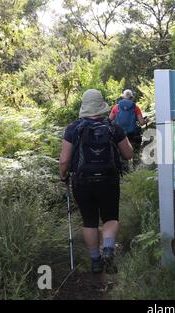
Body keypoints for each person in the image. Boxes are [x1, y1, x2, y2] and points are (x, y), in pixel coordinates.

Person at [59, 89, 133, 273]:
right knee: (110, 217)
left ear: (84, 106)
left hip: (83, 182)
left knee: (90, 221)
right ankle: (108, 248)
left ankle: (95, 260)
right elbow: (129, 154)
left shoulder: (73, 129)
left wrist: (63, 175)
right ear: (102, 105)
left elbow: (64, 161)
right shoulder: (113, 127)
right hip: (109, 180)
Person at [109, 89, 148, 167]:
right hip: (133, 135)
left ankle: (124, 173)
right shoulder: (135, 107)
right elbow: (141, 122)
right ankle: (135, 173)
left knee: (122, 156)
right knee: (135, 154)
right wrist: (146, 120)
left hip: (119, 136)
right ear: (131, 97)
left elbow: (109, 121)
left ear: (123, 97)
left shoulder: (116, 107)